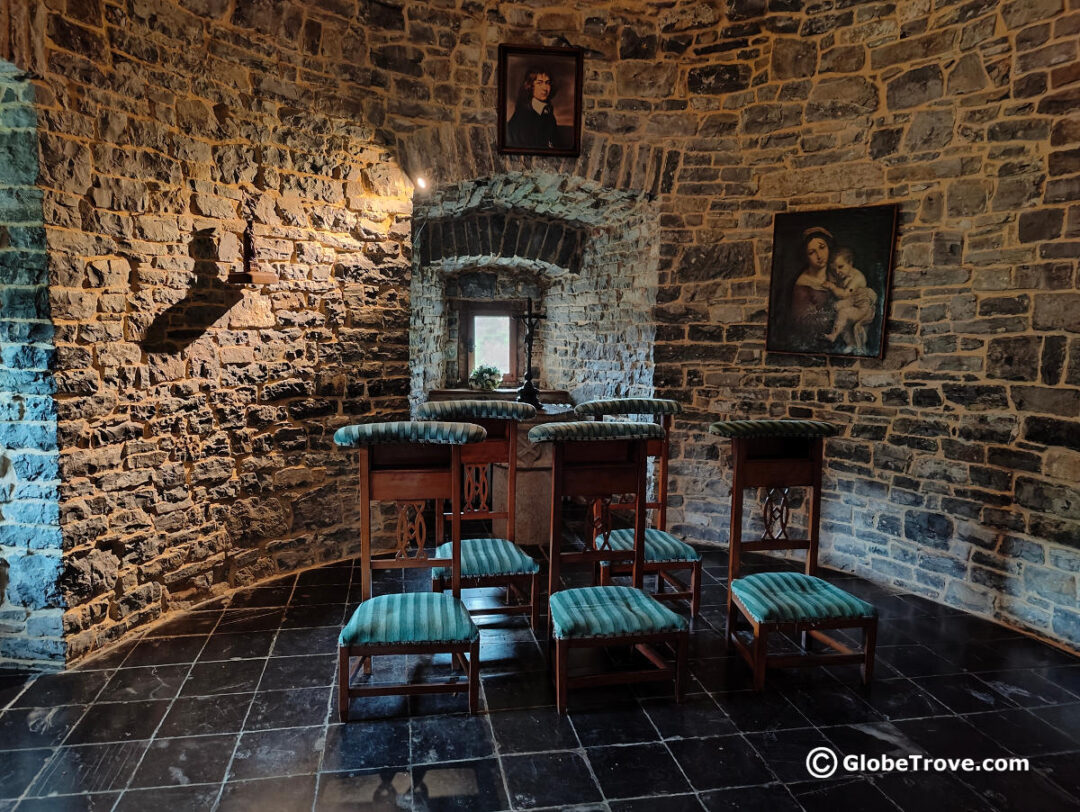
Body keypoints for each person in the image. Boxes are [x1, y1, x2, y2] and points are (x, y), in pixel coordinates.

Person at [786, 226, 839, 351]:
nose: (819, 256)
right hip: (816, 342)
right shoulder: (803, 285)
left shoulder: (836, 274)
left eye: (822, 247)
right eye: (812, 252)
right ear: (806, 257)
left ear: (828, 247)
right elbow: (802, 322)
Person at [823, 247, 876, 351]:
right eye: (835, 269)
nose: (837, 271)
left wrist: (833, 287)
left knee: (843, 313)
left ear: (850, 263)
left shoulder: (857, 278)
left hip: (862, 308)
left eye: (840, 267)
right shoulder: (843, 274)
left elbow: (844, 295)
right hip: (852, 302)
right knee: (837, 308)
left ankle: (834, 336)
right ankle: (851, 343)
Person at [506, 66, 560, 149]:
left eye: (547, 83)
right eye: (539, 83)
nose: (545, 88)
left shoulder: (548, 112)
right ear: (530, 86)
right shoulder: (522, 114)